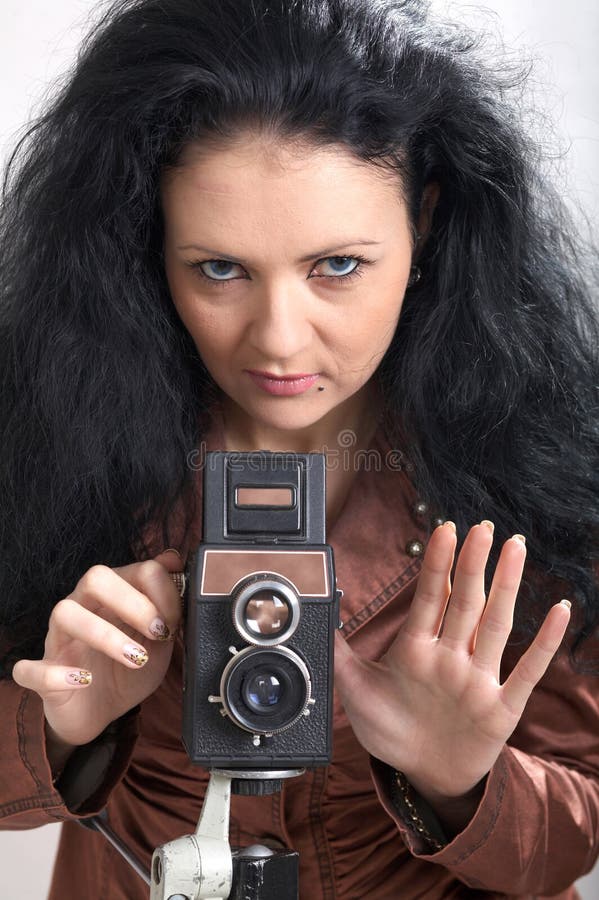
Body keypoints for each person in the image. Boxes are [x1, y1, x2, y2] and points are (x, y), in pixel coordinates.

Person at [1, 0, 598, 897]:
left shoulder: (536, 460)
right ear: (147, 245)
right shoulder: (46, 432)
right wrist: (54, 725)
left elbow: (572, 843)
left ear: (425, 225)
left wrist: (463, 780)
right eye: (219, 269)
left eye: (337, 267)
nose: (278, 340)